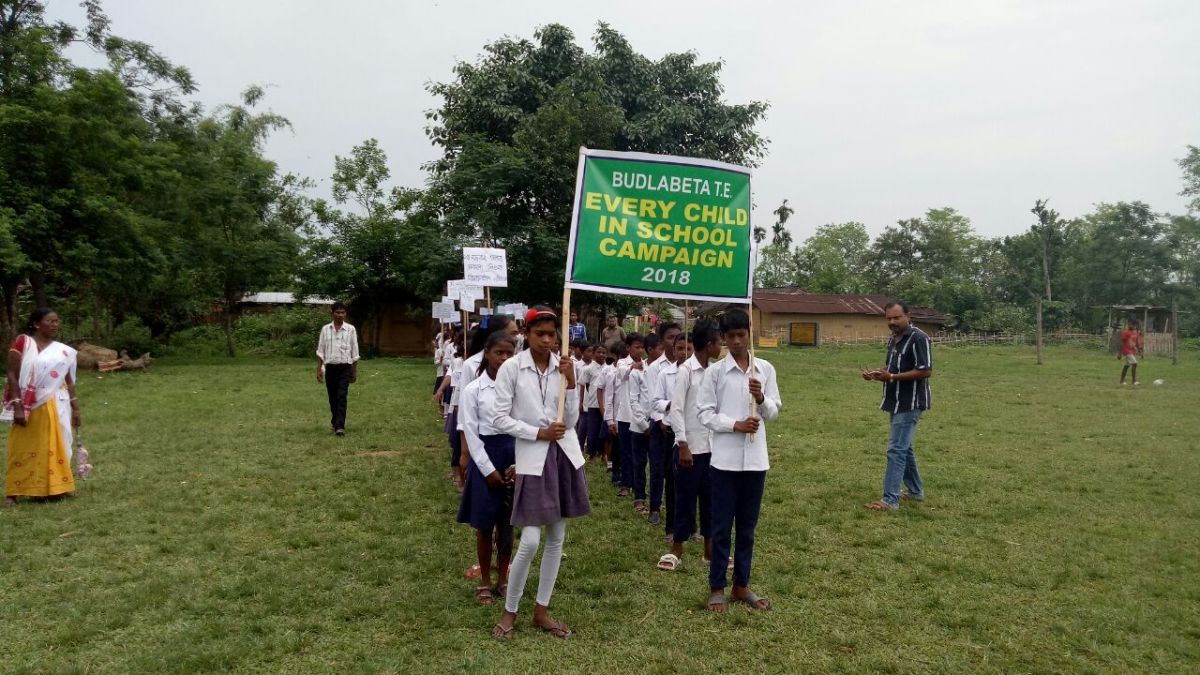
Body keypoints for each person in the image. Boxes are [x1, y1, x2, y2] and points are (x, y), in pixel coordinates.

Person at [490, 307, 589, 640]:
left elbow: (572, 421)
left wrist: (572, 385)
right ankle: (510, 611)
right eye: (539, 334)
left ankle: (541, 611)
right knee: (530, 540)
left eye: (551, 334)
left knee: (556, 539)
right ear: (527, 334)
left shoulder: (565, 367)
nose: (546, 340)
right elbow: (499, 418)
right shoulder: (512, 369)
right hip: (533, 457)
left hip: (563, 456)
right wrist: (537, 432)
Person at [698, 308, 781, 612]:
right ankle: (717, 587)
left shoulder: (765, 370)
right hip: (724, 463)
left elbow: (774, 413)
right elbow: (704, 413)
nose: (735, 341)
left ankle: (741, 585)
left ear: (749, 335)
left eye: (740, 335)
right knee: (721, 528)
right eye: (730, 336)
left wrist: (761, 399)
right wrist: (735, 425)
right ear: (722, 338)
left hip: (756, 462)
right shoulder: (715, 373)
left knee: (747, 528)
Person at [457, 331, 519, 606]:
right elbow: (470, 432)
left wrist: (519, 463)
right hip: (486, 455)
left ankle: (503, 578)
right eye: (498, 353)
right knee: (484, 524)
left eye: (509, 353)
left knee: (508, 524)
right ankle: (484, 580)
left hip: (513, 455)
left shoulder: (519, 388)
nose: (504, 358)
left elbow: (525, 425)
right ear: (487, 354)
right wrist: (486, 468)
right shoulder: (474, 390)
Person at [658, 320, 720, 571]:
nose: (721, 346)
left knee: (710, 500)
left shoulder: (715, 371)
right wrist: (682, 444)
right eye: (718, 342)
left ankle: (709, 549)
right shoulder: (686, 371)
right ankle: (677, 548)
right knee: (685, 499)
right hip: (689, 447)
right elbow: (677, 410)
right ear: (708, 344)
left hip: (712, 448)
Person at [861, 301, 932, 512]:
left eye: (896, 318)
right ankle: (915, 491)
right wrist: (877, 373)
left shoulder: (919, 338)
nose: (892, 322)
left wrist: (891, 376)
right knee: (904, 447)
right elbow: (891, 367)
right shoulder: (893, 339)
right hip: (895, 400)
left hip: (910, 402)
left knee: (896, 449)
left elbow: (925, 370)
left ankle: (890, 500)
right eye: (889, 319)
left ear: (908, 316)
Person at [4, 308, 80, 506]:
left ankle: (56, 488)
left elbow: (69, 380)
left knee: (57, 444)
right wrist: (18, 406)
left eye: (57, 321)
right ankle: (14, 491)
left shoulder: (62, 351)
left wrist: (76, 407)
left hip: (57, 402)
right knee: (22, 446)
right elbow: (12, 374)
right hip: (30, 404)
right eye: (50, 321)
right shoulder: (23, 343)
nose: (55, 324)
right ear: (37, 324)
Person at [652, 322, 683, 537]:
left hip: (686, 429)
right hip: (661, 425)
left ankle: (688, 523)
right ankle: (655, 507)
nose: (674, 343)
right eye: (670, 338)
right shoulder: (657, 368)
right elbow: (651, 398)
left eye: (678, 339)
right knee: (660, 470)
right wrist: (662, 417)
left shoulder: (694, 369)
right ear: (663, 340)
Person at [316, 301, 360, 436]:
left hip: (345, 368)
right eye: (337, 312)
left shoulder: (351, 329)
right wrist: (319, 369)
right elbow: (321, 350)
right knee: (332, 397)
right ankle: (335, 421)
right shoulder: (325, 329)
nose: (340, 315)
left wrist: (354, 370)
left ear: (345, 314)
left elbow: (354, 351)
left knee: (341, 396)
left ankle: (340, 426)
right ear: (332, 313)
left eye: (343, 312)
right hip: (330, 367)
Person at [1119, 319, 1144, 385]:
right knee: (1135, 363)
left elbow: (1137, 343)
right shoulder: (1125, 332)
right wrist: (1119, 353)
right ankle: (1134, 381)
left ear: (1135, 326)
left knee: (1126, 366)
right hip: (1126, 351)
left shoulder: (1135, 333)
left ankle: (1121, 381)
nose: (1130, 326)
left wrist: (1140, 352)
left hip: (1132, 351)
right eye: (1129, 324)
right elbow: (1122, 343)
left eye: (1132, 325)